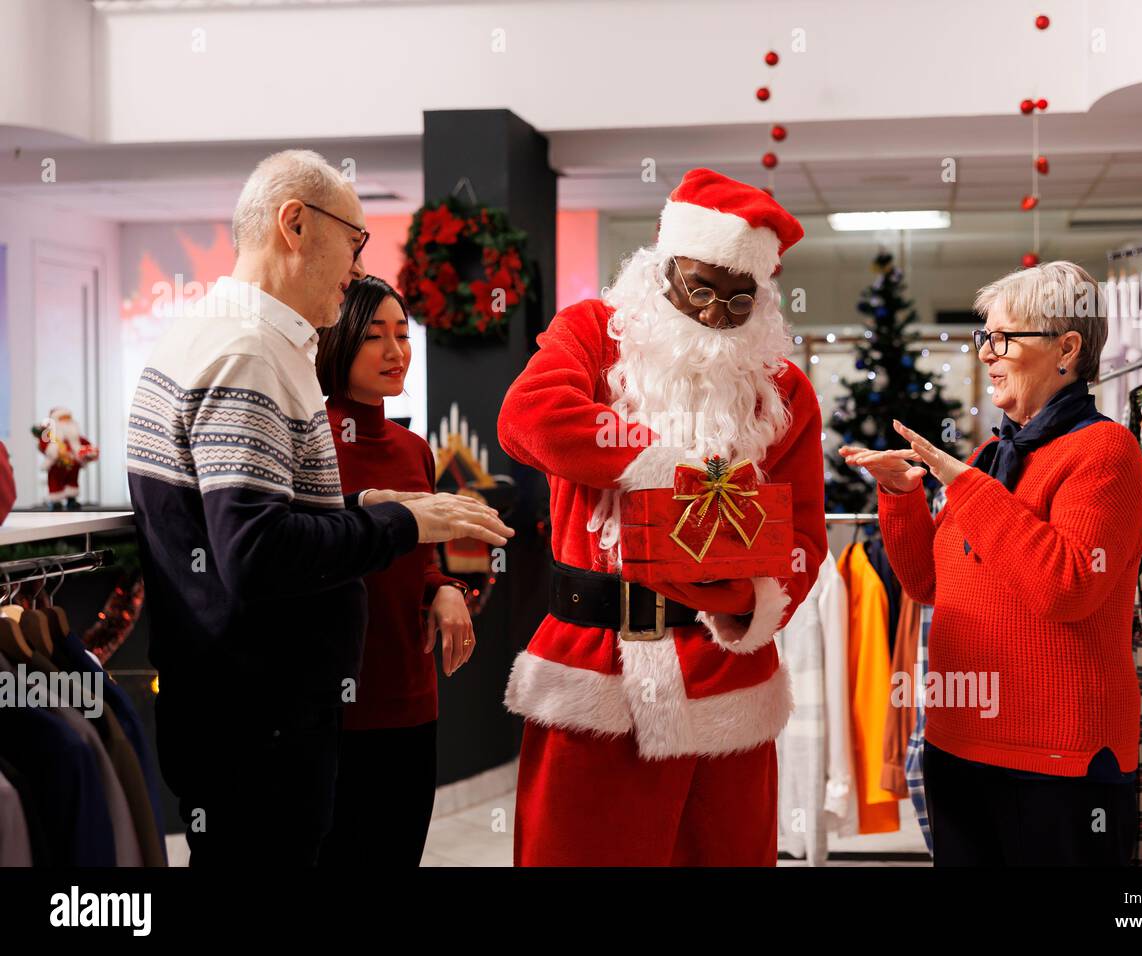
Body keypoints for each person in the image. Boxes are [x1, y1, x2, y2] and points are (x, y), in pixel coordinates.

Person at [126, 150, 512, 866]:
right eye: (355, 238)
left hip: (241, 716)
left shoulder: (226, 336)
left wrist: (360, 503)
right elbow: (255, 551)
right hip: (261, 725)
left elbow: (243, 517)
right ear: (295, 225)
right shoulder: (250, 353)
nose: (359, 264)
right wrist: (404, 522)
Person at [497, 168, 828, 866]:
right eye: (700, 289)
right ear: (661, 270)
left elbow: (803, 537)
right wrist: (665, 467)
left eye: (739, 301)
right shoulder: (593, 333)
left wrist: (741, 598)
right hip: (594, 670)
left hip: (725, 683)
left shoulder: (785, 390)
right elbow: (527, 419)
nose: (714, 315)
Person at [840, 260, 1142, 866]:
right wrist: (902, 498)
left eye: (1004, 338)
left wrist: (965, 487)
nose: (987, 353)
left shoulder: (1105, 451)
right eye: (986, 337)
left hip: (1059, 763)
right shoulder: (988, 455)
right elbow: (929, 584)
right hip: (958, 748)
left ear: (1067, 348)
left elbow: (1068, 586)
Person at [314, 275, 474, 867]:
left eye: (403, 335)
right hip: (340, 704)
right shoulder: (314, 444)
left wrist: (448, 590)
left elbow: (419, 564)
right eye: (374, 336)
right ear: (338, 343)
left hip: (413, 697)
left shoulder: (414, 451)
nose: (395, 352)